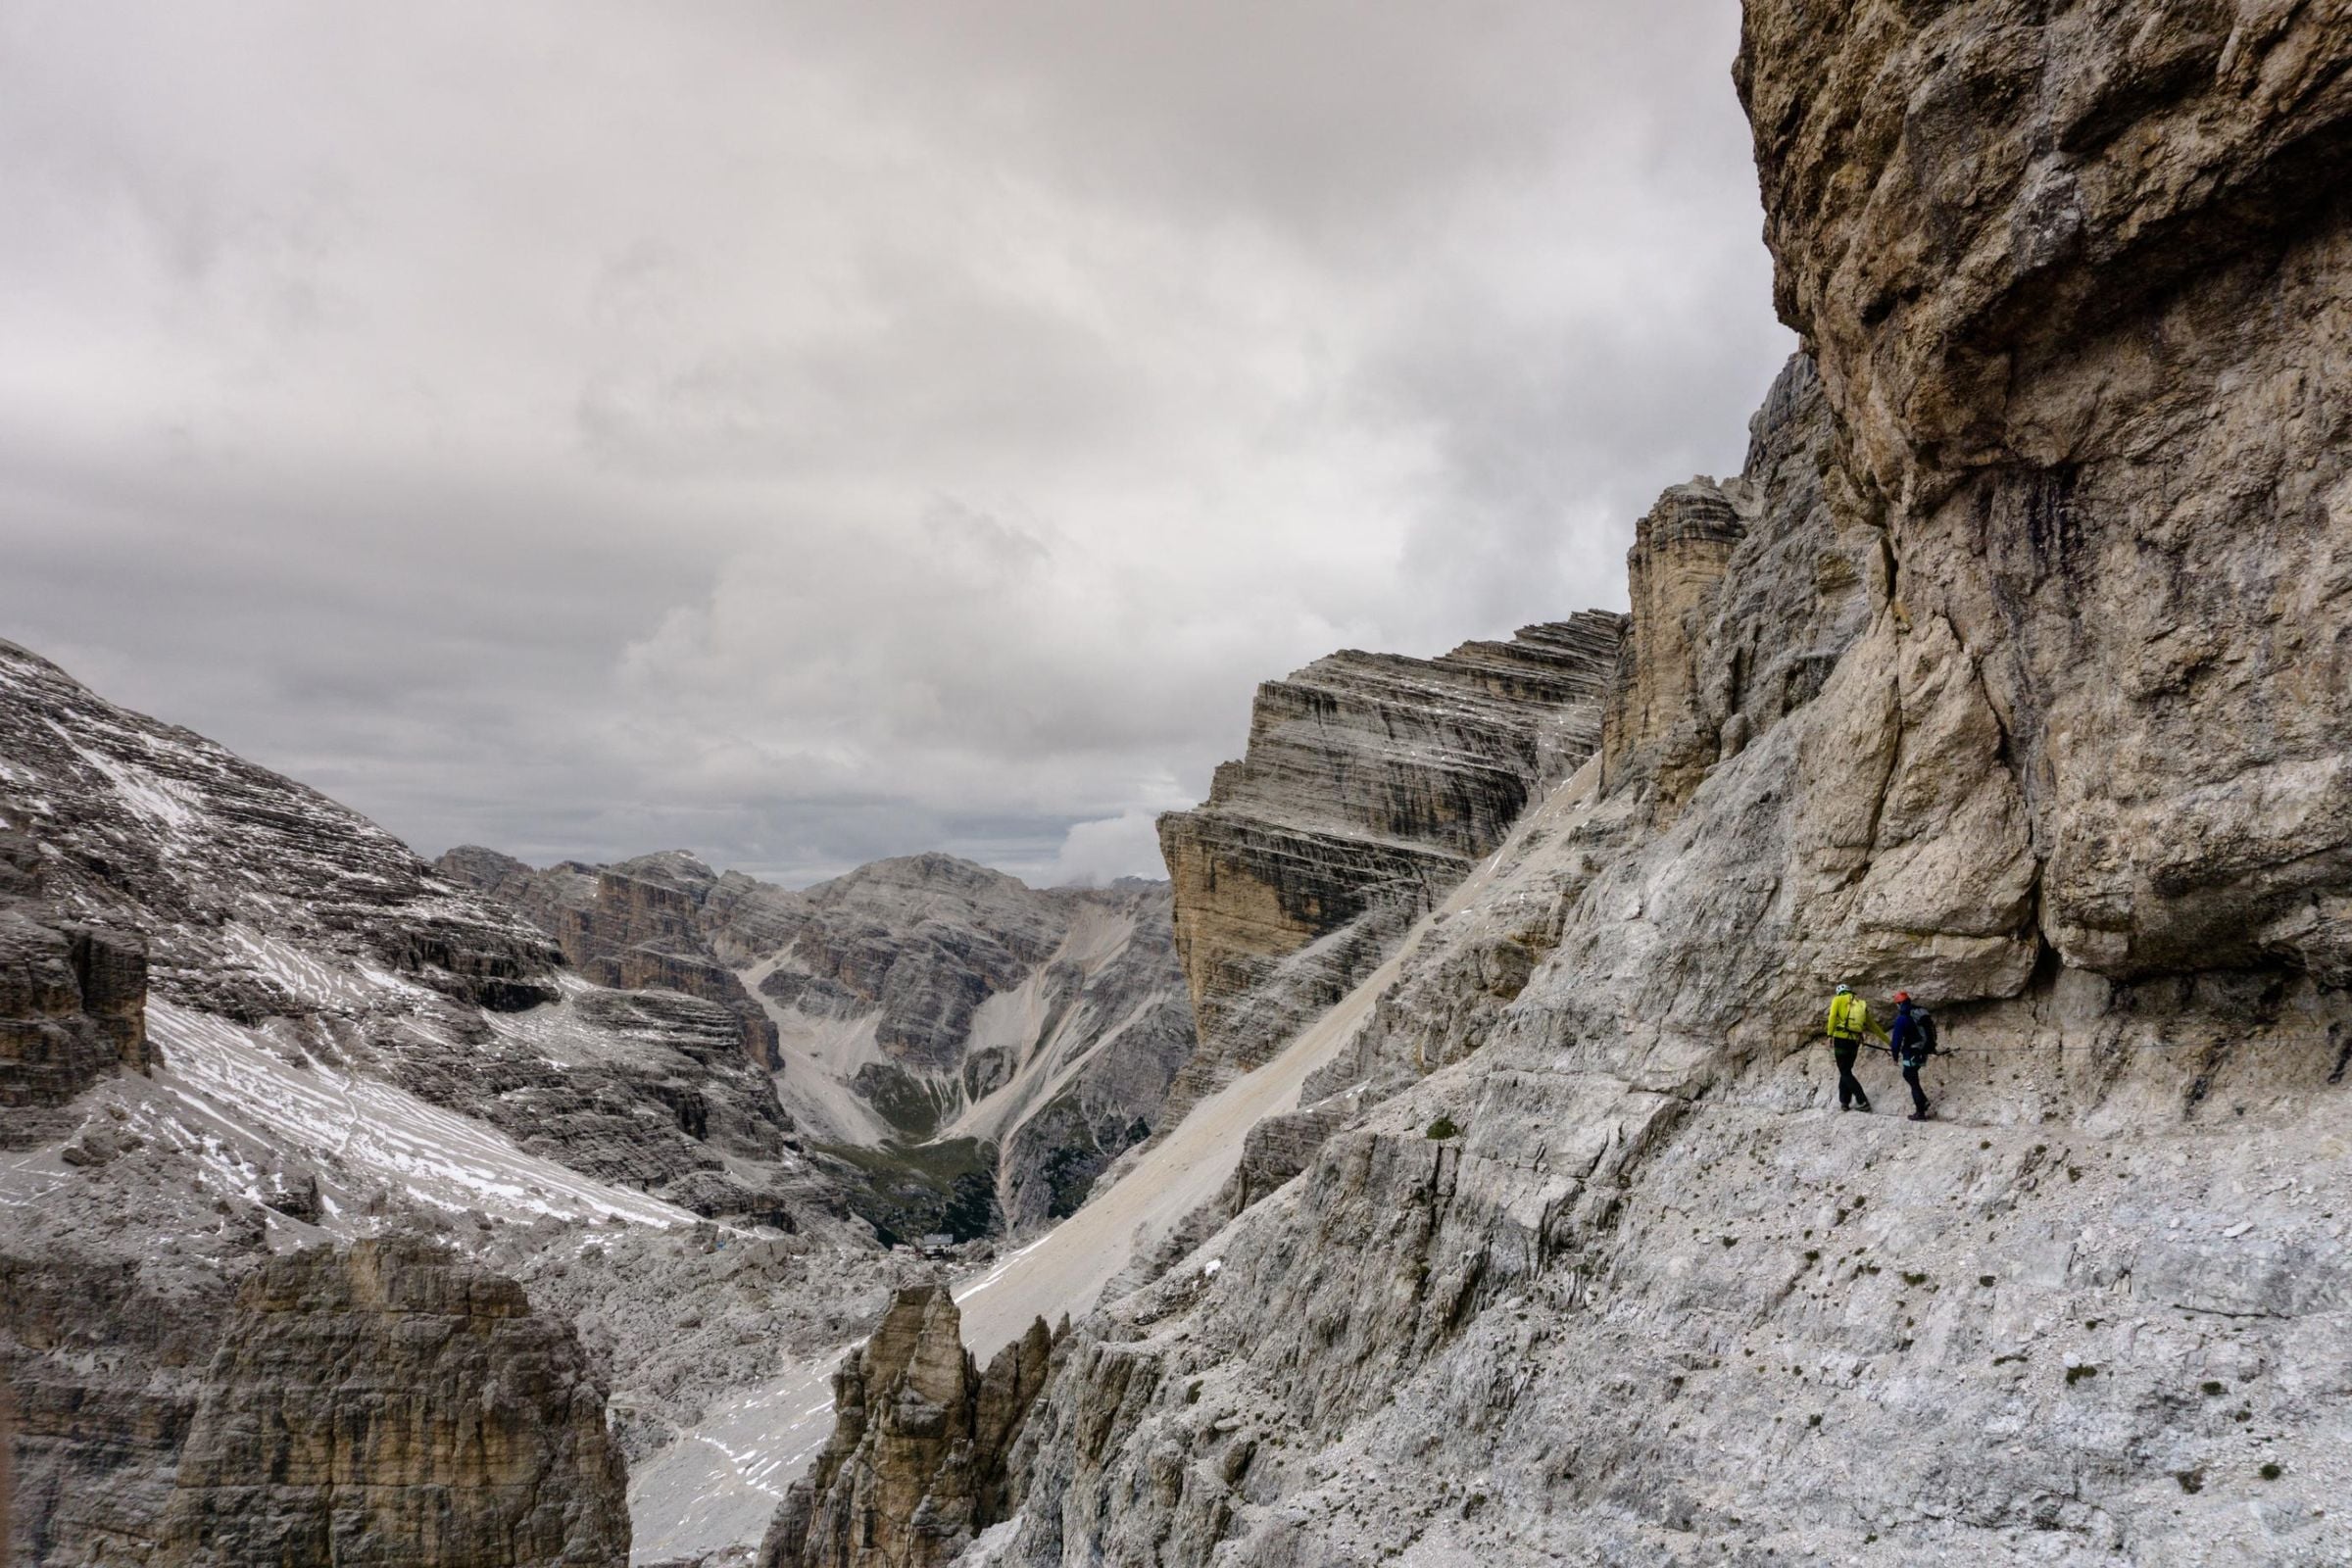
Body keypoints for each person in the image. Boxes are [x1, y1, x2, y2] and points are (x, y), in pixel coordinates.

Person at [1825, 983, 1886, 1112]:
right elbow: (1873, 1026)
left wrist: (1830, 1035)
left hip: (1841, 1039)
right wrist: (1889, 1042)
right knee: (1846, 1070)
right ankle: (1845, 1102)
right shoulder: (1860, 1003)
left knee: (1844, 1071)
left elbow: (1832, 1017)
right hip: (1854, 1042)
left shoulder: (1838, 999)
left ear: (1839, 993)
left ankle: (1862, 1100)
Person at [1887, 992, 1937, 1121]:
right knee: (1910, 1075)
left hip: (1911, 1052)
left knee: (1912, 1079)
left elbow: (1897, 1040)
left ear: (1899, 1004)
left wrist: (1894, 1055)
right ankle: (1923, 1102)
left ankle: (1920, 1112)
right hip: (1924, 1050)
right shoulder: (1920, 1011)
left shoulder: (1903, 1018)